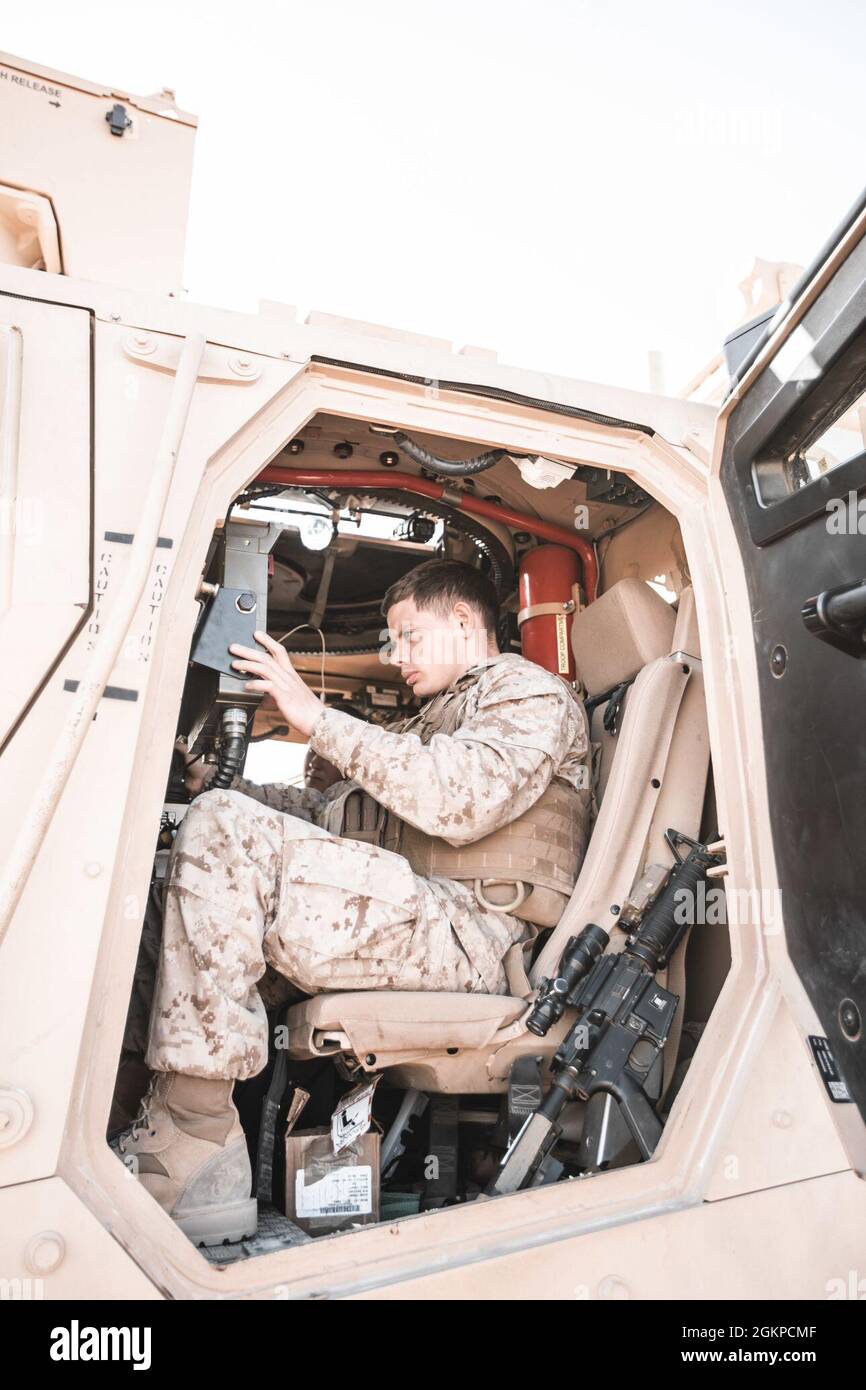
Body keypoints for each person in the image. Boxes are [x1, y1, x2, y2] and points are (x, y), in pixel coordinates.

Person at [113, 560, 590, 1244]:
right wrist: (215, 786)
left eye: (408, 637)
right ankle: (138, 1108)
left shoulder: (530, 695)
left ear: (462, 623)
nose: (397, 657)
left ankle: (194, 1144)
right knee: (183, 860)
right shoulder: (435, 717)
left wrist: (313, 717)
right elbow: (330, 812)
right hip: (422, 914)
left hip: (475, 933)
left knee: (223, 833)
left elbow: (458, 800)